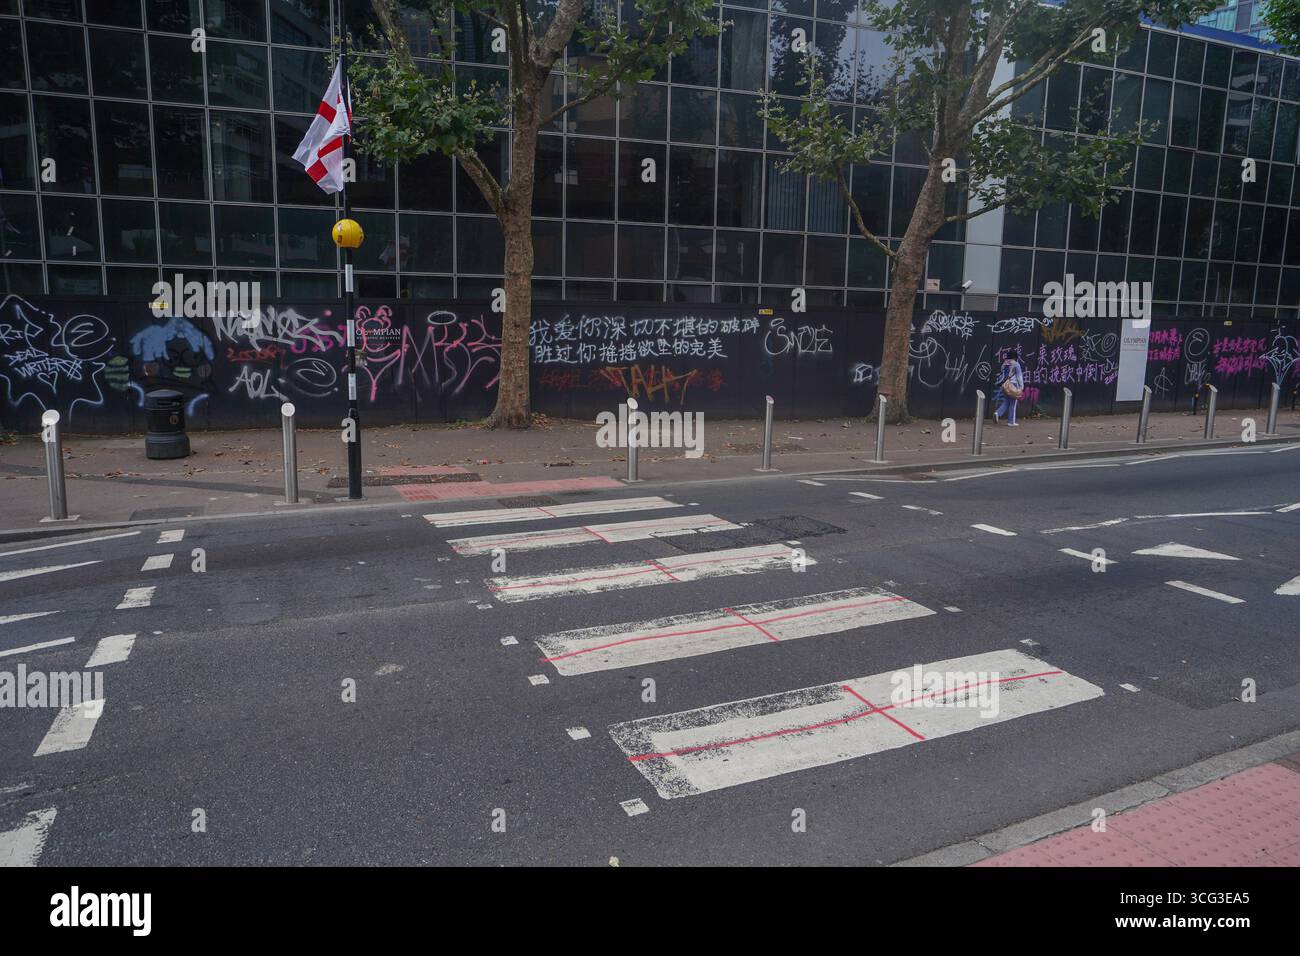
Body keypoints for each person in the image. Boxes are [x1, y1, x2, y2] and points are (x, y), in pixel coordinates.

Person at [994, 348, 1024, 426]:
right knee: (1013, 404)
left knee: (1006, 401)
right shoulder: (1016, 364)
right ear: (1015, 356)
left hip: (1005, 385)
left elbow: (1002, 373)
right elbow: (1019, 376)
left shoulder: (1004, 363)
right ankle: (1011, 422)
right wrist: (1021, 387)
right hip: (1013, 385)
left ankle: (997, 413)